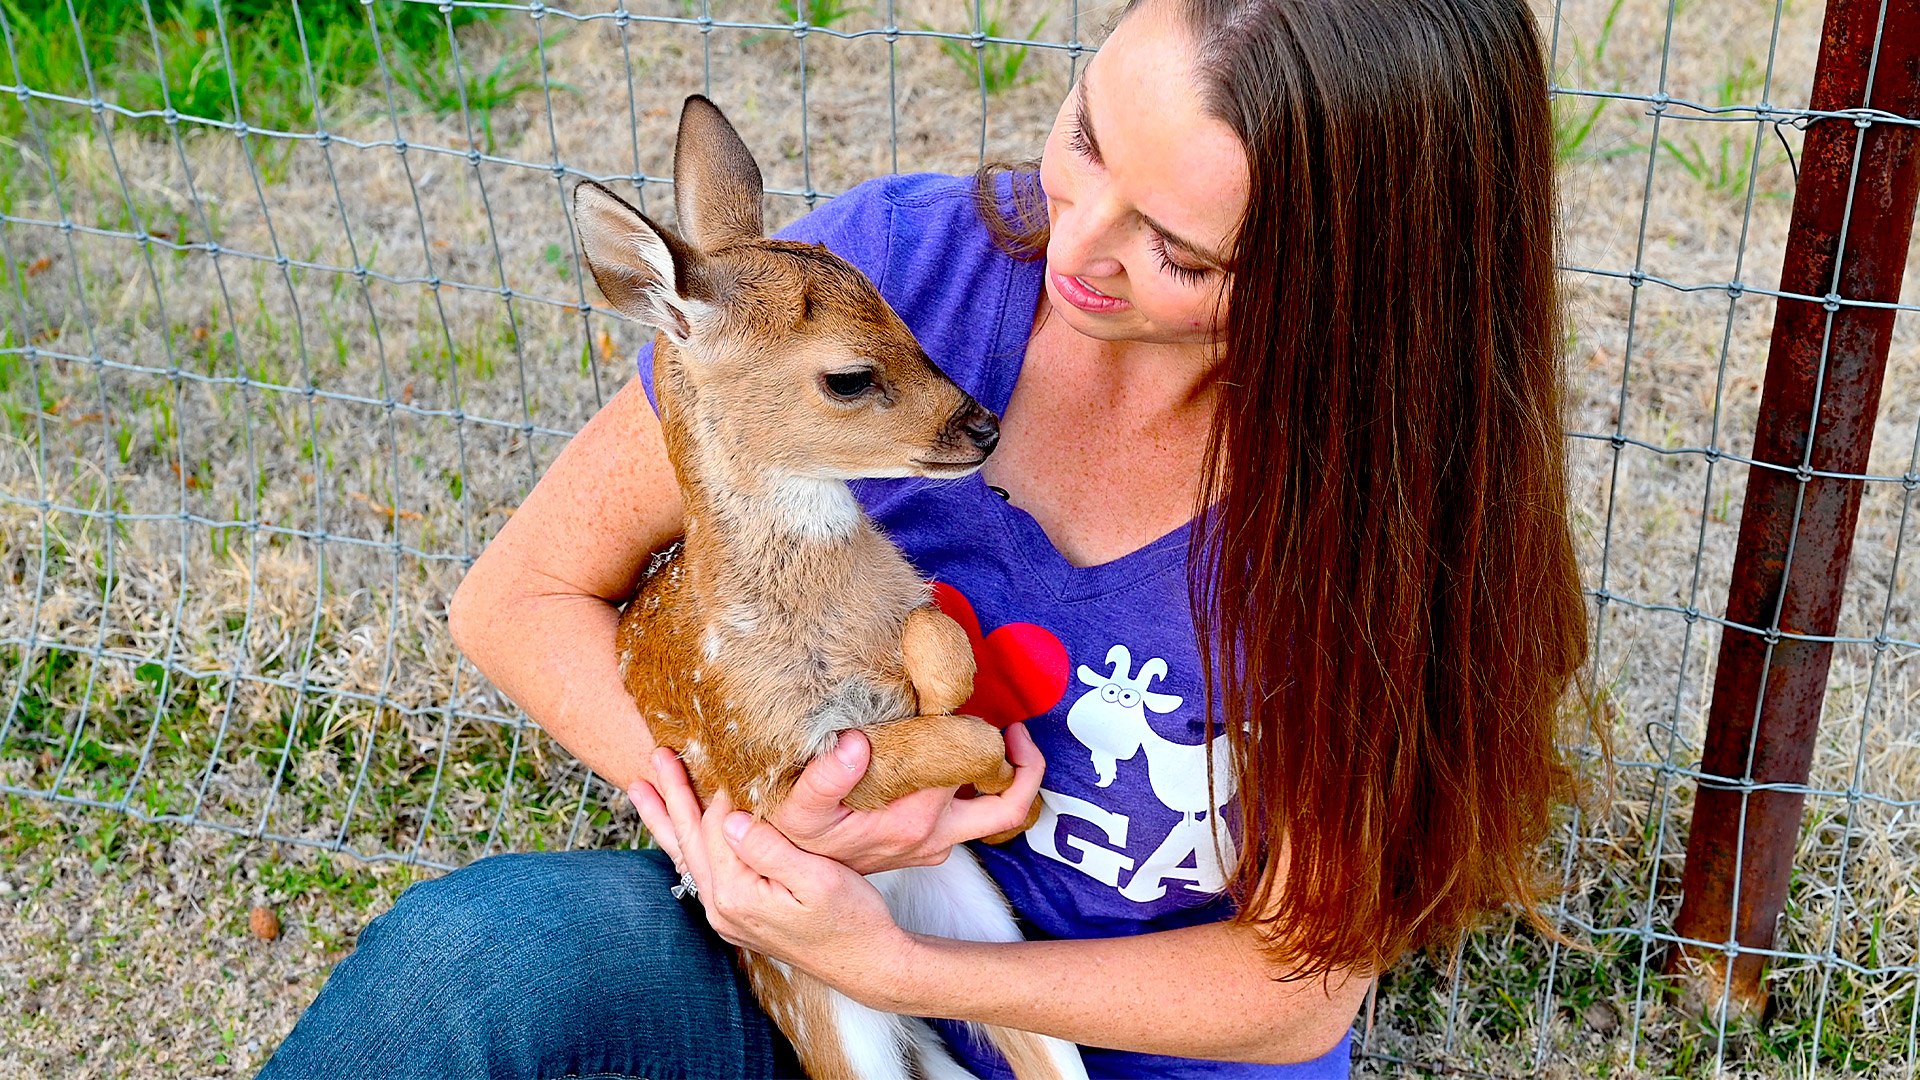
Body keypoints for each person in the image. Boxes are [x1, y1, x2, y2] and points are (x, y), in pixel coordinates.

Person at [258, 0, 1590, 1074]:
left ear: (1349, 273)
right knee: (470, 961)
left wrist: (900, 968)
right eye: (1086, 137)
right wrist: (739, 839)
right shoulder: (874, 277)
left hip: (1110, 1053)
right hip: (804, 994)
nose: (1078, 240)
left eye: (1179, 252)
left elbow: (1292, 995)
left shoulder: (1379, 513)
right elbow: (524, 596)